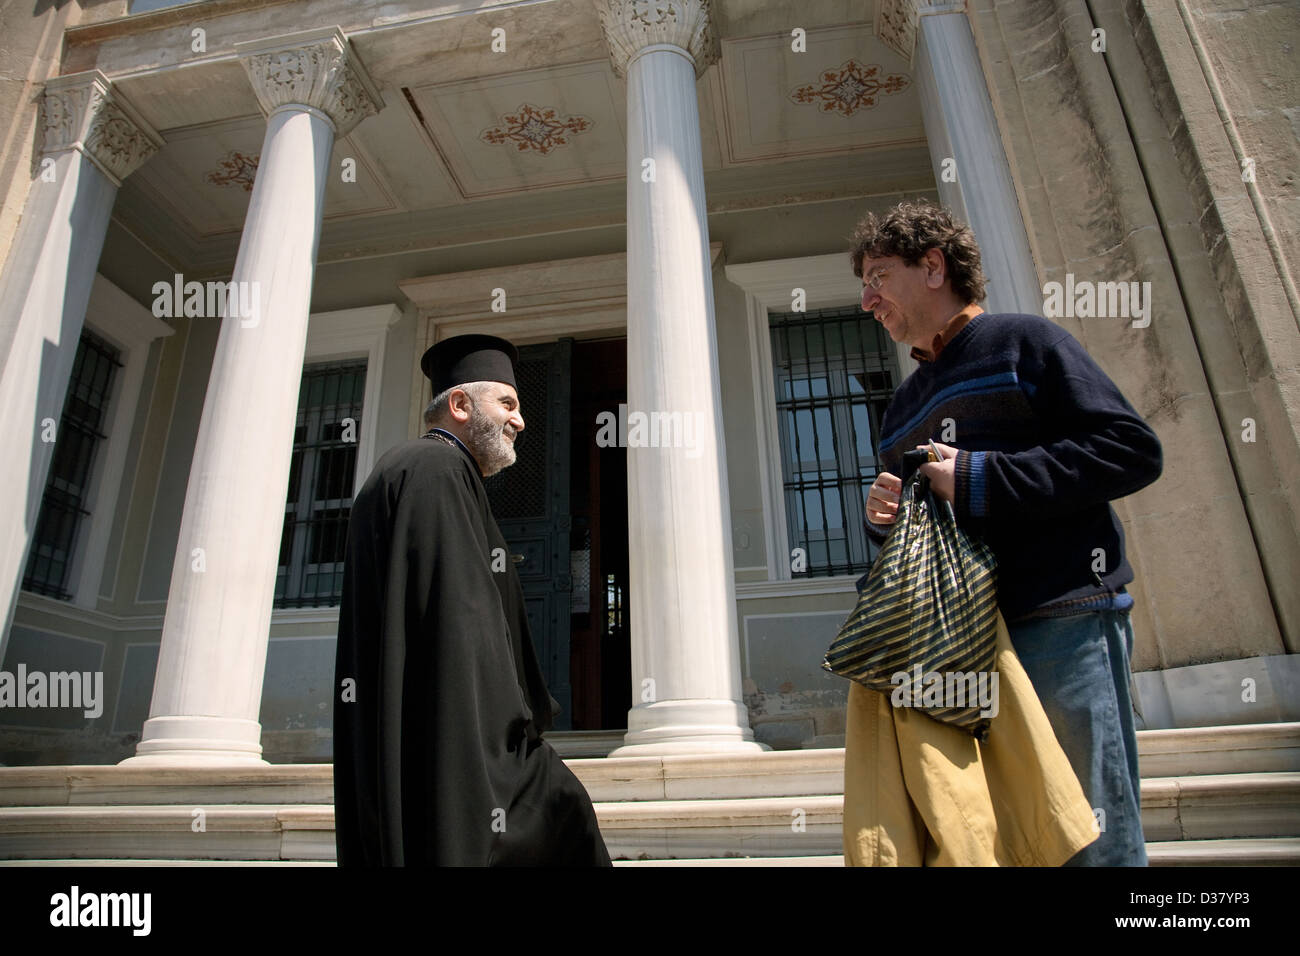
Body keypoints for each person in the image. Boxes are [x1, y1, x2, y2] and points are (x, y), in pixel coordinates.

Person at [851, 200, 1162, 865]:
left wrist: (978, 477)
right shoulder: (903, 404)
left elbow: (1130, 450)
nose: (866, 298)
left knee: (1087, 836)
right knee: (1001, 838)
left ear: (932, 266)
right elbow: (925, 522)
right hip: (956, 648)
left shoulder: (1028, 342)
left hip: (1061, 622)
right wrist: (888, 515)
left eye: (878, 274)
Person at [333, 333, 611, 867]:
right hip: (459, 729)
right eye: (507, 403)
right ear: (459, 405)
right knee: (561, 809)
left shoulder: (417, 468)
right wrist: (510, 725)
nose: (520, 420)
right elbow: (461, 616)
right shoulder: (436, 471)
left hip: (430, 721)